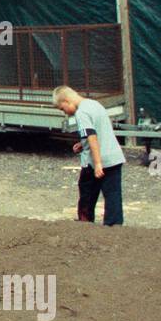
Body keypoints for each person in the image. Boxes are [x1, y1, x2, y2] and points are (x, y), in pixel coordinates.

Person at [53, 85, 125, 227]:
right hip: (114, 156)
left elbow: (92, 137)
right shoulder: (95, 104)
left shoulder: (82, 113)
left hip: (97, 161)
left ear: (67, 101)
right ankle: (114, 226)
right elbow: (99, 129)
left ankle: (84, 223)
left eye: (62, 109)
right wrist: (82, 143)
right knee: (113, 194)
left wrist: (98, 163)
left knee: (87, 191)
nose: (65, 113)